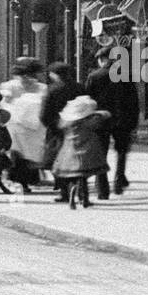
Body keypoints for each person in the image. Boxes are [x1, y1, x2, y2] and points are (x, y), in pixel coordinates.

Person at [83, 44, 139, 198]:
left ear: (102, 60)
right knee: (121, 152)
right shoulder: (125, 76)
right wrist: (133, 121)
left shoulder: (94, 77)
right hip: (123, 120)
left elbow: (88, 101)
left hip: (101, 120)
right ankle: (119, 180)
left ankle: (102, 190)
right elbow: (134, 101)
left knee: (101, 154)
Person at [54, 95, 112, 209]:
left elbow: (59, 126)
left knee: (73, 176)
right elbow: (103, 117)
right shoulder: (89, 122)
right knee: (83, 177)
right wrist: (98, 113)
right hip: (87, 153)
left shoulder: (67, 123)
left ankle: (72, 191)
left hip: (70, 152)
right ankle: (84, 199)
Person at [0, 57, 48, 192]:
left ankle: (29, 180)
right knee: (17, 156)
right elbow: (3, 102)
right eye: (22, 76)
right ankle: (20, 183)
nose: (25, 79)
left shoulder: (40, 87)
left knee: (30, 156)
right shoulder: (10, 86)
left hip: (33, 129)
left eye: (29, 76)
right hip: (15, 127)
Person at [41, 61, 83, 202]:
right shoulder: (79, 88)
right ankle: (76, 186)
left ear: (55, 75)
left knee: (57, 162)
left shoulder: (51, 90)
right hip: (77, 129)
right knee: (76, 160)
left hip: (57, 131)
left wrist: (53, 126)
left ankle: (64, 191)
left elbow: (44, 115)